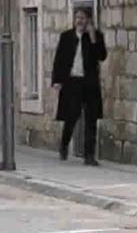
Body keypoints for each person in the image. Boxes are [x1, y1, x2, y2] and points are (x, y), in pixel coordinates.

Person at [52, 9, 107, 165]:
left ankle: (89, 155)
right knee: (71, 115)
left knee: (91, 119)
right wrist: (57, 81)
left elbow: (102, 56)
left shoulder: (96, 36)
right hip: (72, 82)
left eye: (83, 18)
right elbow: (59, 59)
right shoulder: (66, 37)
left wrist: (93, 37)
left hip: (89, 83)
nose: (80, 21)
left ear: (89, 20)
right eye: (77, 17)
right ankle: (64, 145)